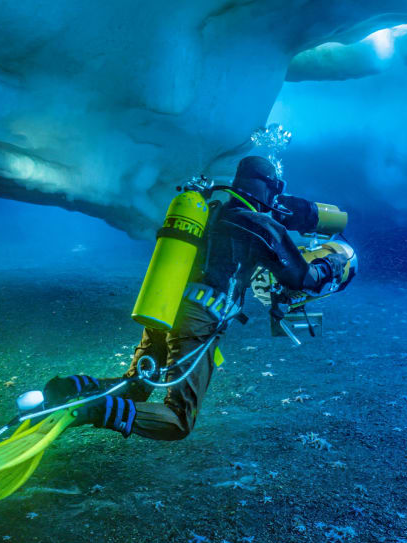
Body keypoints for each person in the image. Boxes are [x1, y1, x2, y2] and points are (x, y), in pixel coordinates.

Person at [43, 156, 353, 440]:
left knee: (136, 386)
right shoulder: (261, 225)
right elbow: (303, 279)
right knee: (178, 420)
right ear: (270, 188)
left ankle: (70, 387)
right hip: (199, 318)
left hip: (165, 305)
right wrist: (333, 262)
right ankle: (85, 410)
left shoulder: (210, 209)